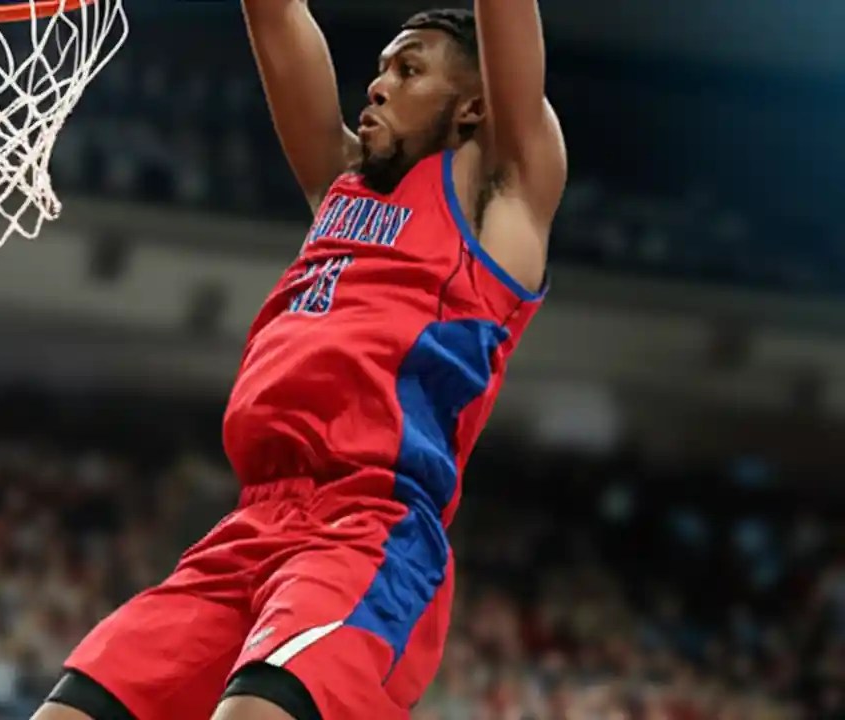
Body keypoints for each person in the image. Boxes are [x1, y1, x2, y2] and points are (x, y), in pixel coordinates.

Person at [34, 1, 566, 719]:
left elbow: (511, 45)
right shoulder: (339, 183)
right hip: (252, 523)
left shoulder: (497, 196)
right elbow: (275, 13)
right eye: (382, 68)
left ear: (473, 106)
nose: (377, 85)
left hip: (370, 530)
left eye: (409, 71)